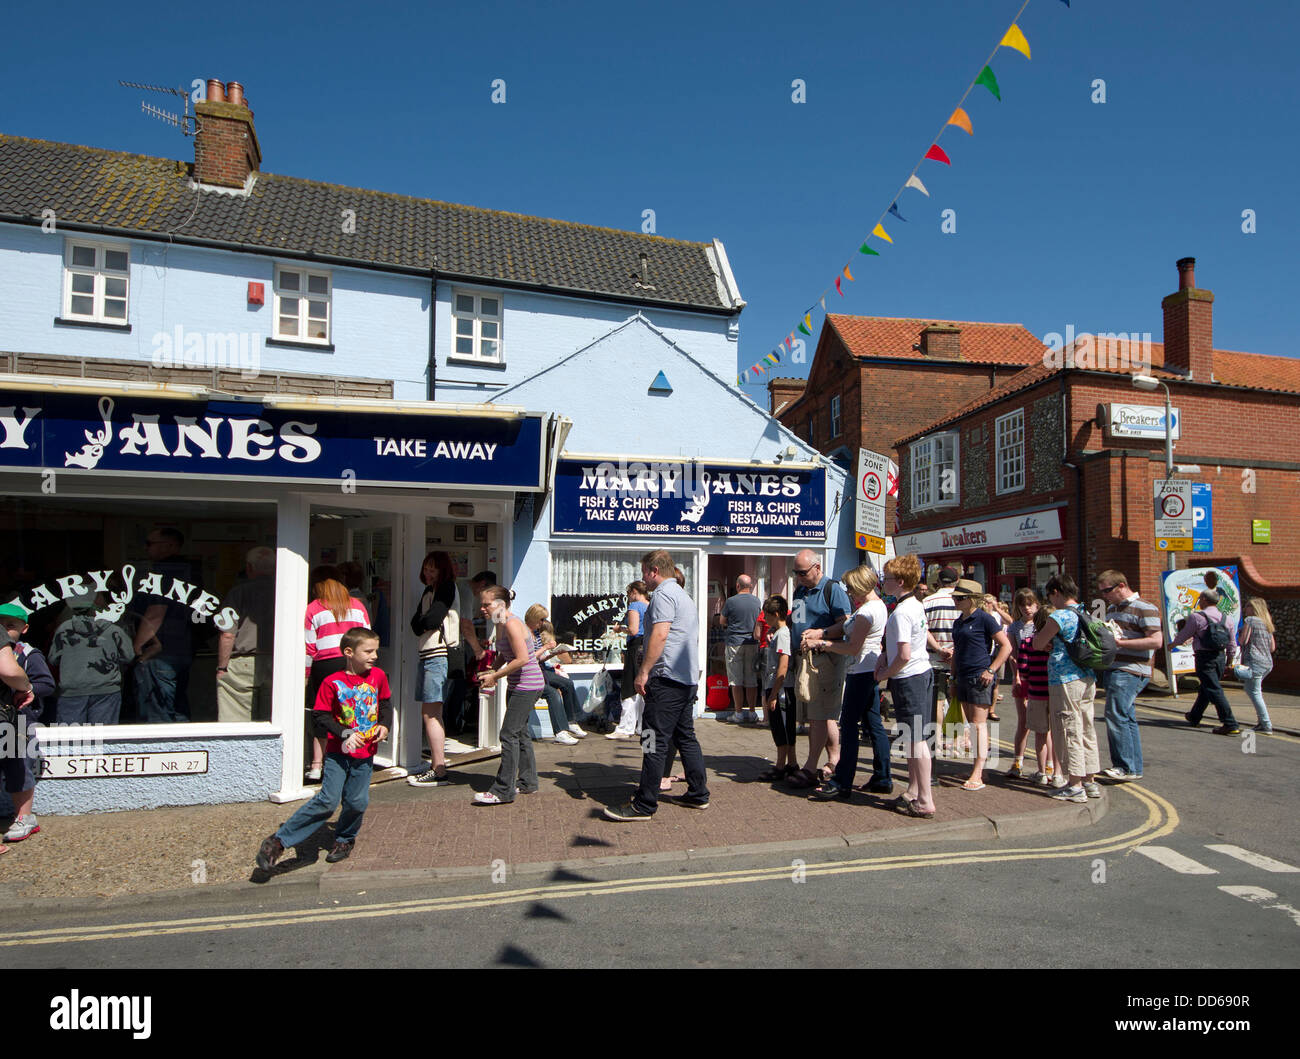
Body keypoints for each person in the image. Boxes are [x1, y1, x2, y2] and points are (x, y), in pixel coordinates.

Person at [257, 627, 391, 868]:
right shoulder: (332, 682)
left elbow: (385, 703)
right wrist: (344, 734)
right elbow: (320, 715)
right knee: (328, 801)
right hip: (338, 754)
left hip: (365, 755)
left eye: (376, 651)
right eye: (368, 651)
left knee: (357, 802)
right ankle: (278, 842)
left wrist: (384, 725)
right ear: (348, 652)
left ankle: (344, 839)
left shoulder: (378, 676)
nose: (374, 656)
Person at [604, 550, 708, 821]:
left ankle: (644, 804)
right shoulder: (684, 596)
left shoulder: (662, 595)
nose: (643, 579)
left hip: (666, 679)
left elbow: (660, 635)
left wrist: (644, 672)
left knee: (652, 739)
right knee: (685, 736)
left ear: (653, 570)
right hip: (686, 679)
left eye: (643, 573)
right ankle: (698, 793)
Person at [811, 565, 891, 801]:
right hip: (869, 670)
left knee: (848, 725)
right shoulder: (877, 607)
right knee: (874, 724)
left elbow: (853, 648)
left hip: (860, 671)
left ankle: (842, 781)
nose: (848, 593)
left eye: (850, 588)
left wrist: (823, 644)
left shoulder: (867, 612)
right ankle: (882, 777)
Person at [473, 585, 548, 806]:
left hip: (528, 686)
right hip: (518, 685)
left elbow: (523, 658)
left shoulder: (513, 624)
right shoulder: (500, 624)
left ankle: (503, 790)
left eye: (486, 604)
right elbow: (505, 654)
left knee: (508, 734)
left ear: (501, 605)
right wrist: (492, 669)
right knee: (520, 733)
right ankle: (528, 782)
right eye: (483, 604)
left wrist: (495, 676)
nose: (483, 608)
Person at [874, 555, 935, 817]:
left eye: (886, 579)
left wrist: (883, 674)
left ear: (899, 582)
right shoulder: (915, 605)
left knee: (917, 739)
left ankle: (925, 800)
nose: (882, 582)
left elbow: (904, 654)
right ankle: (913, 790)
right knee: (914, 738)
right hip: (921, 673)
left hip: (909, 678)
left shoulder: (900, 613)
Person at [1032, 574, 1100, 803]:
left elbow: (1038, 643)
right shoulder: (1085, 613)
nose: (1051, 602)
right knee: (1086, 728)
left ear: (1057, 592)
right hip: (1087, 677)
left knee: (1068, 729)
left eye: (1051, 597)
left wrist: (1042, 642)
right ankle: (1090, 781)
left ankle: (1075, 786)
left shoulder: (1061, 616)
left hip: (1065, 679)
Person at [787, 549, 851, 790]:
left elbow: (846, 623)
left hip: (826, 658)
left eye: (802, 573)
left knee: (818, 715)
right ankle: (835, 760)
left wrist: (821, 633)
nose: (799, 577)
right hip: (805, 658)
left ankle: (810, 768)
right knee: (825, 715)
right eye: (796, 573)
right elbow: (798, 618)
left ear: (817, 567)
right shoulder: (800, 591)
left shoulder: (832, 590)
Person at [304, 568, 372, 782]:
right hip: (352, 662)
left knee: (322, 713)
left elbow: (309, 647)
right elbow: (367, 637)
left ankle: (317, 764)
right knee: (352, 710)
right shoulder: (358, 605)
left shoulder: (313, 608)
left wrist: (305, 675)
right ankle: (353, 759)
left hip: (324, 664)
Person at [1098, 569, 1162, 781]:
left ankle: (1123, 766)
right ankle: (1133, 768)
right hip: (1116, 668)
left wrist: (1121, 643)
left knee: (1115, 715)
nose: (1105, 595)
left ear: (1122, 586)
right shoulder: (1113, 609)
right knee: (1126, 717)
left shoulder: (1145, 608)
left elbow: (1155, 641)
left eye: (1107, 590)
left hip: (1132, 670)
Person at [132, 527, 200, 723]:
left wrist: (136, 648)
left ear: (171, 545)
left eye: (150, 543)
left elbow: (155, 613)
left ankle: (163, 752)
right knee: (178, 709)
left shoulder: (164, 573)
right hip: (184, 648)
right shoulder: (191, 572)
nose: (146, 548)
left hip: (159, 653)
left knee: (157, 716)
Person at [949, 580, 1012, 791]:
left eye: (959, 598)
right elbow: (957, 652)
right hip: (963, 677)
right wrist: (952, 678)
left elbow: (1006, 646)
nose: (955, 600)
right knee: (971, 725)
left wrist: (991, 670)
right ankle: (977, 768)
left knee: (978, 725)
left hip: (980, 676)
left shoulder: (984, 619)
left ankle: (978, 773)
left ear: (972, 599)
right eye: (954, 597)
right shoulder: (959, 622)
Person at [0, 602, 55, 844]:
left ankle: (24, 816)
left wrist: (27, 689)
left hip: (20, 722)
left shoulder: (27, 654)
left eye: (10, 626)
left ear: (24, 628)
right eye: (0, 625)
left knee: (19, 767)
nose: (4, 630)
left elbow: (47, 683)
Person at [407, 551, 459, 787]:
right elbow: (416, 624)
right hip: (428, 654)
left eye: (433, 569)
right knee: (430, 713)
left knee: (431, 714)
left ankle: (439, 770)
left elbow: (428, 621)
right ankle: (438, 768)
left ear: (442, 570)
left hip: (438, 656)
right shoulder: (430, 591)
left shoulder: (446, 588)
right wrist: (424, 621)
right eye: (426, 568)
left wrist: (424, 621)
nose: (428, 573)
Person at [47, 592, 134, 724]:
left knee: (70, 740)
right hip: (106, 690)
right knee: (103, 739)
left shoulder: (64, 629)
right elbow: (128, 656)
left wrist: (74, 658)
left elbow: (53, 659)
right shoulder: (114, 630)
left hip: (72, 691)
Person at [216, 546, 276, 724]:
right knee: (271, 719)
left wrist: (222, 667)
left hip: (243, 662)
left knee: (237, 721)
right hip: (277, 662)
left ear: (249, 567)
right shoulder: (285, 592)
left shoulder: (239, 592)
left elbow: (228, 634)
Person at [1172, 589, 1240, 735]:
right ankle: (1194, 716)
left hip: (1204, 657)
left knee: (1214, 689)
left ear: (1203, 599)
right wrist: (1230, 660)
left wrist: (1172, 645)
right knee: (1207, 687)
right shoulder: (1226, 618)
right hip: (1220, 657)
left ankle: (1230, 723)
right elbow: (1232, 642)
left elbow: (1185, 634)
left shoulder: (1197, 617)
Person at [1006, 589, 1055, 783]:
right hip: (1023, 678)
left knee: (1045, 726)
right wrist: (1016, 676)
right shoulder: (1014, 628)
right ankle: (1018, 762)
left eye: (1030, 603)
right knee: (1024, 721)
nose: (1027, 608)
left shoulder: (1045, 624)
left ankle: (1048, 765)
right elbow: (1013, 654)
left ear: (1037, 604)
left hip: (1040, 679)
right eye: (1022, 604)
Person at [523, 604, 584, 745]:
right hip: (531, 673)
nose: (543, 623)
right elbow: (527, 657)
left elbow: (539, 658)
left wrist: (553, 653)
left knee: (567, 683)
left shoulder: (536, 634)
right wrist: (545, 647)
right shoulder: (525, 633)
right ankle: (560, 731)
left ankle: (571, 721)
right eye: (541, 619)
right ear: (534, 617)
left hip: (540, 669)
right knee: (553, 694)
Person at [756, 594, 797, 782]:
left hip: (780, 688)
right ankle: (791, 763)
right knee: (783, 726)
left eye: (768, 615)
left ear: (777, 614)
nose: (765, 619)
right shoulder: (780, 633)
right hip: (778, 686)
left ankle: (782, 764)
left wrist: (773, 694)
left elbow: (783, 664)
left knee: (781, 727)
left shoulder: (783, 634)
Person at [923, 566, 961, 747]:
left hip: (934, 660)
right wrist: (955, 652)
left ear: (938, 582)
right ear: (957, 580)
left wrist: (939, 649)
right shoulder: (962, 600)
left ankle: (936, 740)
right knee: (957, 700)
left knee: (937, 702)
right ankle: (955, 739)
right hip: (957, 660)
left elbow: (924, 630)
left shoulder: (928, 601)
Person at [606, 581, 650, 739]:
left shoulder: (635, 606)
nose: (628, 597)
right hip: (648, 647)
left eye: (628, 593)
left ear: (635, 592)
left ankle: (625, 727)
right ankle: (642, 726)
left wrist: (619, 629)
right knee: (643, 687)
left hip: (635, 646)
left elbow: (633, 629)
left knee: (629, 686)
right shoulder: (650, 605)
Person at [718, 575, 762, 724]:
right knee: (751, 679)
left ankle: (738, 712)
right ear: (750, 586)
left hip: (734, 642)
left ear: (737, 585)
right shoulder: (756, 601)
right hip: (752, 642)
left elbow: (722, 621)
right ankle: (751, 711)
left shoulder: (731, 601)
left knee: (736, 679)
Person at [1234, 597, 1275, 733]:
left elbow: (1243, 640)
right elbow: (1272, 647)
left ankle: (1266, 724)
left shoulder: (1250, 621)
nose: (1245, 609)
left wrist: (1239, 634)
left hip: (1255, 661)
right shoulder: (1267, 623)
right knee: (1253, 690)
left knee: (1254, 692)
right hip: (1267, 663)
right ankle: (1260, 723)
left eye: (1247, 606)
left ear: (1254, 608)